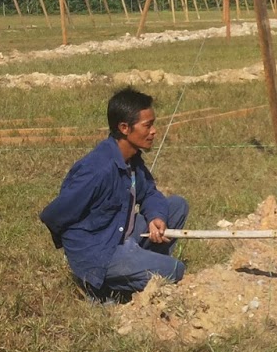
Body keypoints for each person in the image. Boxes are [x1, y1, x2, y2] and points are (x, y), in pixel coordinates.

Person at [40, 87, 190, 301]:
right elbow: (55, 214)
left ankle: (140, 265)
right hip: (102, 252)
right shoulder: (97, 170)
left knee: (176, 206)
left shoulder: (132, 159)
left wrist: (157, 217)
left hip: (121, 234)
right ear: (124, 128)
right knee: (176, 270)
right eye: (147, 125)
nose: (154, 131)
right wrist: (87, 259)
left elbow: (149, 193)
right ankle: (101, 286)